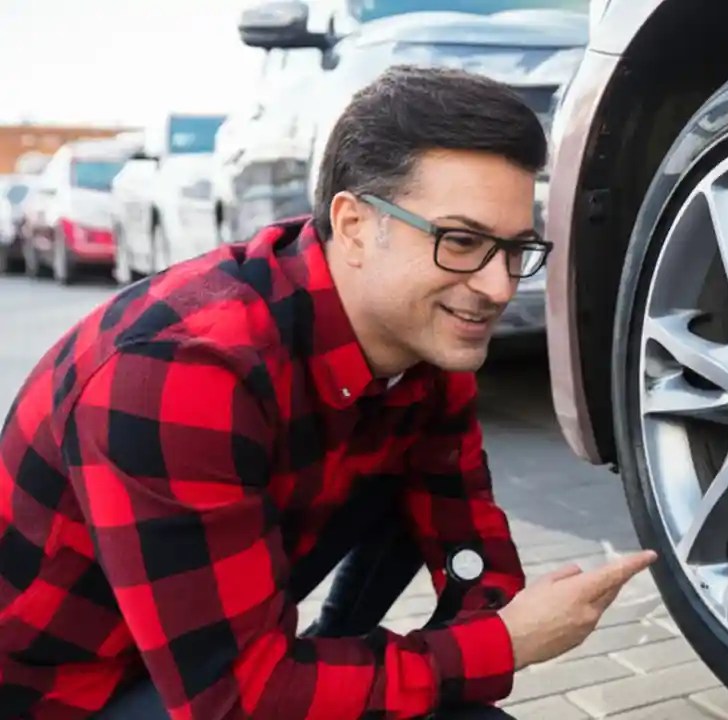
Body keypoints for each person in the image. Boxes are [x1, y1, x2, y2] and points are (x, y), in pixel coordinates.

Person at [0, 65, 657, 719]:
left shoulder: (424, 339)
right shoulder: (182, 371)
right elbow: (236, 702)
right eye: (461, 241)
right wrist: (501, 645)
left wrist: (479, 635)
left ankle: (328, 653)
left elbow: (469, 534)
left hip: (210, 652)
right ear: (352, 225)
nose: (499, 287)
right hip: (74, 691)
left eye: (516, 249)